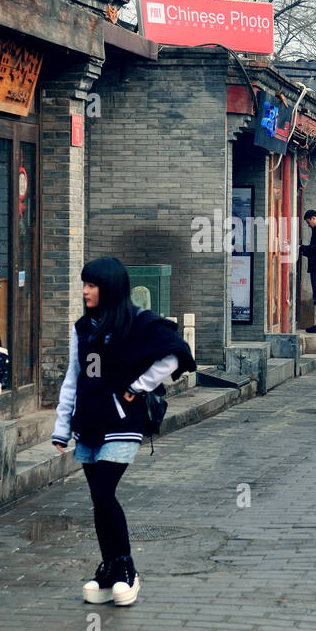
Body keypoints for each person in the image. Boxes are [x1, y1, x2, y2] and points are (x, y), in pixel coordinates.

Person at [51, 257, 195, 606]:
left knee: (103, 493)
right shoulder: (82, 327)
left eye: (92, 285)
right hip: (89, 423)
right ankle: (109, 567)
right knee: (98, 500)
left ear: (110, 287)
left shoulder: (137, 321)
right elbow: (74, 376)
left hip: (121, 423)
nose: (85, 291)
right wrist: (61, 425)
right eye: (84, 284)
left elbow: (176, 355)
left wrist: (138, 386)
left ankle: (126, 568)